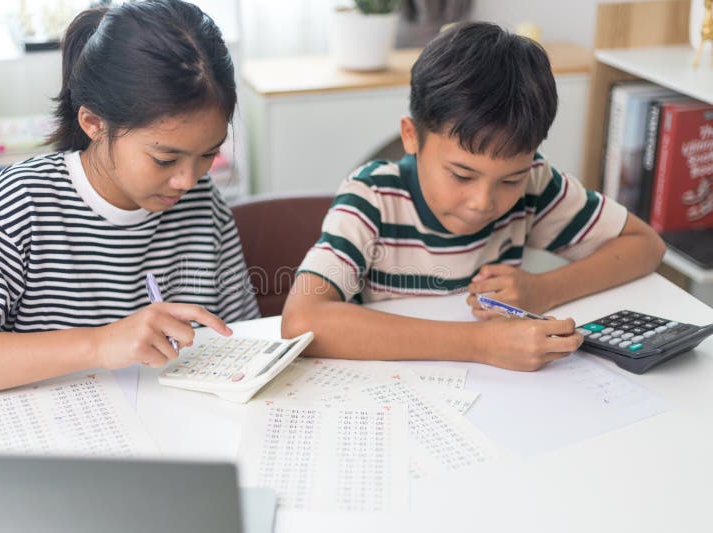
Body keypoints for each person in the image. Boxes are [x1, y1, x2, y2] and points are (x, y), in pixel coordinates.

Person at [0, 0, 259, 397]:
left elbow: (242, 339)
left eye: (207, 155)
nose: (186, 180)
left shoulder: (203, 204)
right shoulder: (19, 204)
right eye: (165, 158)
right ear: (94, 123)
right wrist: (99, 344)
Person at [281, 22, 666, 371]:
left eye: (509, 180)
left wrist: (544, 289)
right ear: (412, 135)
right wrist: (480, 344)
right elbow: (302, 319)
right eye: (461, 175)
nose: (484, 202)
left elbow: (645, 245)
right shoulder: (371, 198)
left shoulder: (534, 183)